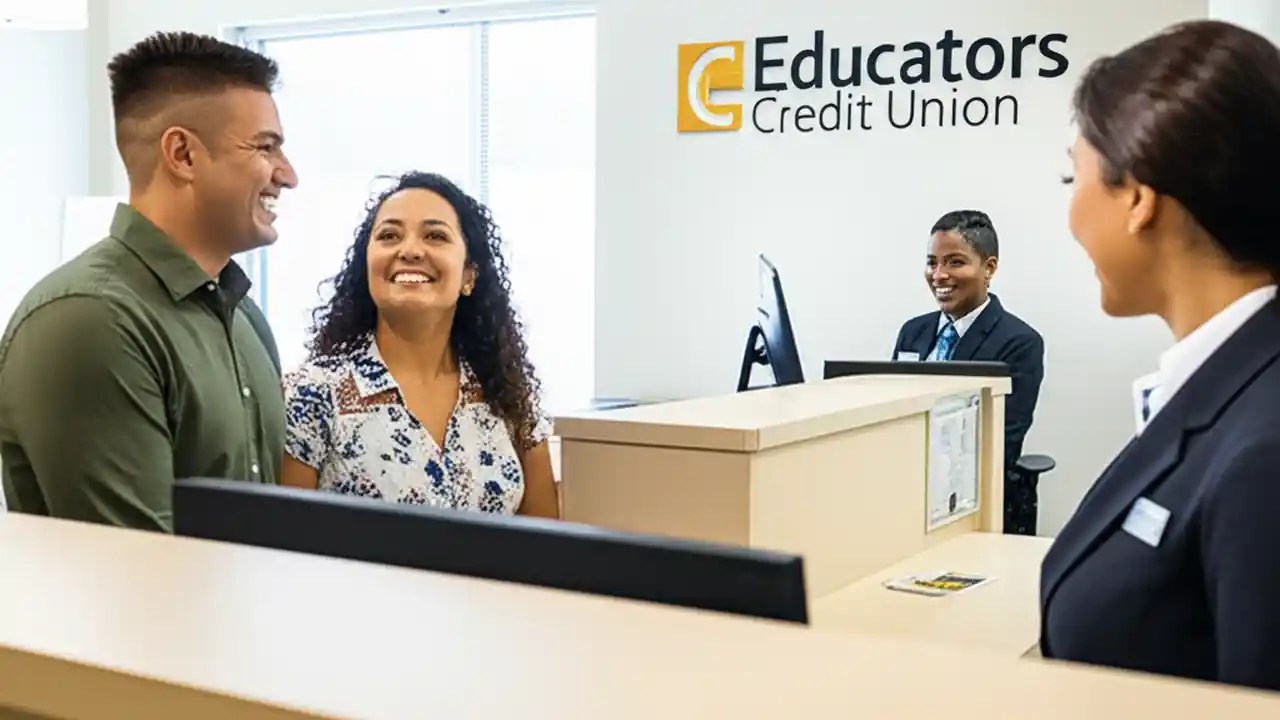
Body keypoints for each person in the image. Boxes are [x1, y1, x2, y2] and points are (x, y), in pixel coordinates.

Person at [1042, 20, 1280, 691]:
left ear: (1138, 199)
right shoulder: (1231, 386)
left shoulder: (1264, 449)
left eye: (1073, 176)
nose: (1070, 212)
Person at [0, 32, 297, 531]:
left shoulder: (243, 316)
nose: (287, 175)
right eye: (265, 148)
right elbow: (132, 564)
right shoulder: (91, 319)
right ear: (183, 154)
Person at [281, 171, 560, 518]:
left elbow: (543, 544)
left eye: (435, 236)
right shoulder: (312, 394)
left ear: (469, 275)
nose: (410, 250)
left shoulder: (509, 396)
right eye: (389, 236)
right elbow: (286, 539)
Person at [892, 209, 1046, 531]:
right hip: (903, 486)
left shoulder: (1019, 343)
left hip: (968, 500)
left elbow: (1003, 441)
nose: (939, 275)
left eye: (955, 262)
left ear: (989, 268)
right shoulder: (912, 332)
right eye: (932, 262)